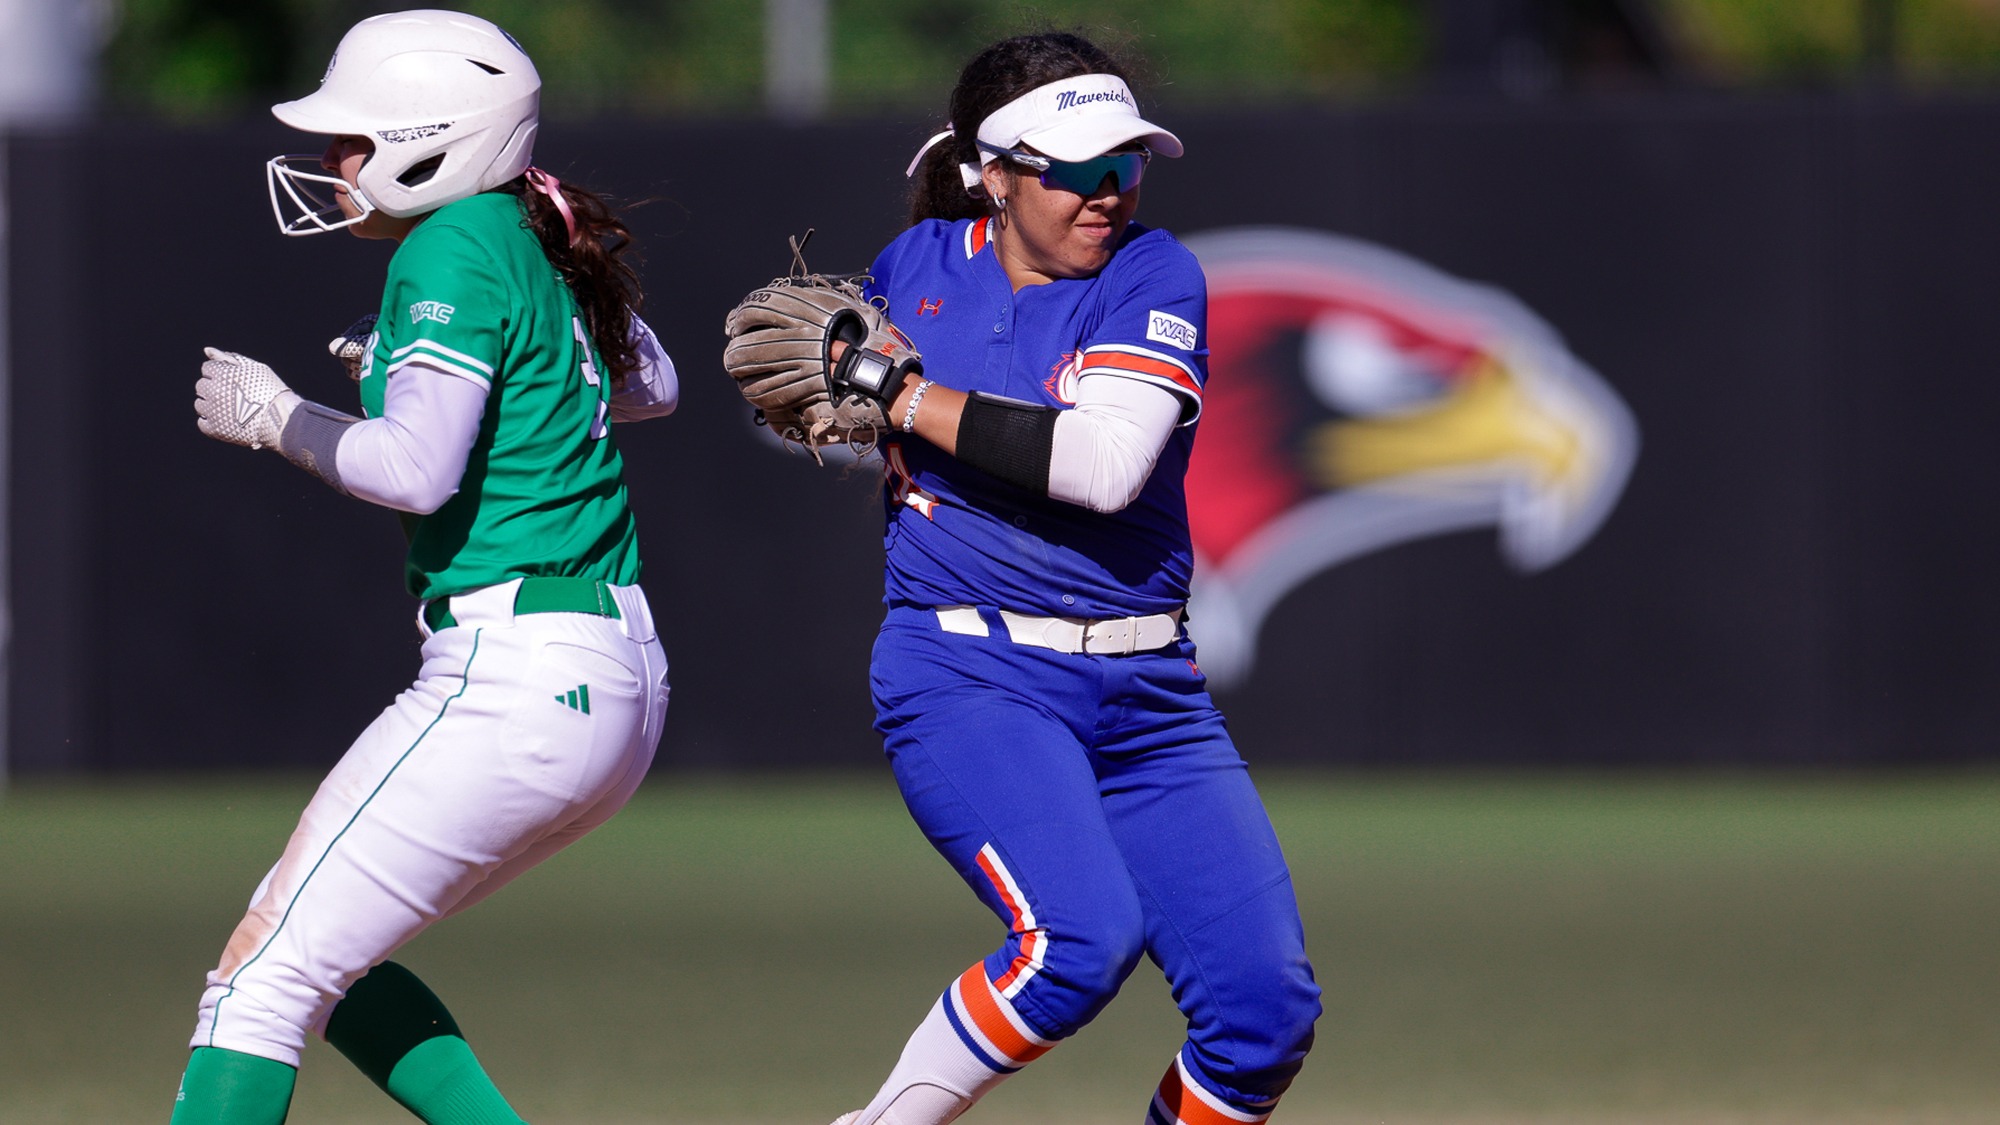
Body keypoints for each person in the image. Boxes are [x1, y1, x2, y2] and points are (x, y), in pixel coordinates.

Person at [172, 10, 675, 1124]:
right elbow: (651, 386)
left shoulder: (449, 241)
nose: (330, 162)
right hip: (612, 674)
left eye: (353, 140)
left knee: (257, 984)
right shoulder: (528, 229)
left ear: (431, 141)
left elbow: (410, 471)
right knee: (328, 964)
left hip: (517, 670)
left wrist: (278, 417)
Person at [826, 31, 1320, 1125]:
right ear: (991, 174)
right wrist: (848, 401)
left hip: (1148, 697)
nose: (1108, 193)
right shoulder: (911, 272)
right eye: (1076, 170)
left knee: (1260, 1016)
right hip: (969, 673)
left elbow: (1100, 468)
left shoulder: (1151, 270)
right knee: (1074, 943)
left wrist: (898, 400)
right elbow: (848, 403)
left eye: (1125, 165)